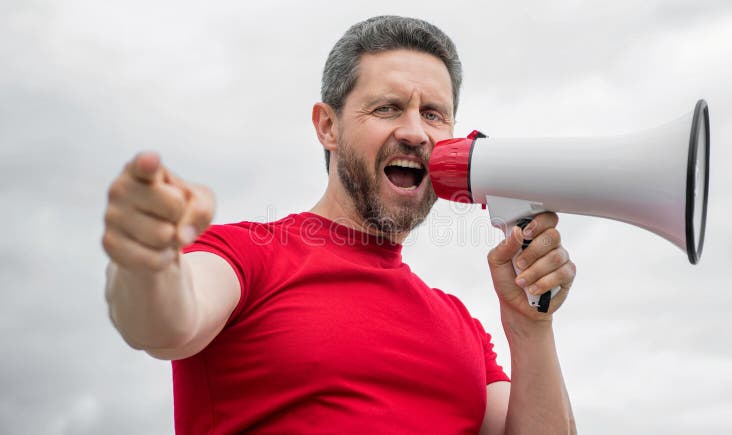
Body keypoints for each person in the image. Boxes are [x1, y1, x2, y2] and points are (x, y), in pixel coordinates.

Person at [102, 15, 577, 434]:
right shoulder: (245, 254)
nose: (414, 132)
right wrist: (144, 260)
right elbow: (164, 324)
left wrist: (530, 326)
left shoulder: (463, 327)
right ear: (327, 126)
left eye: (433, 114)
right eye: (387, 107)